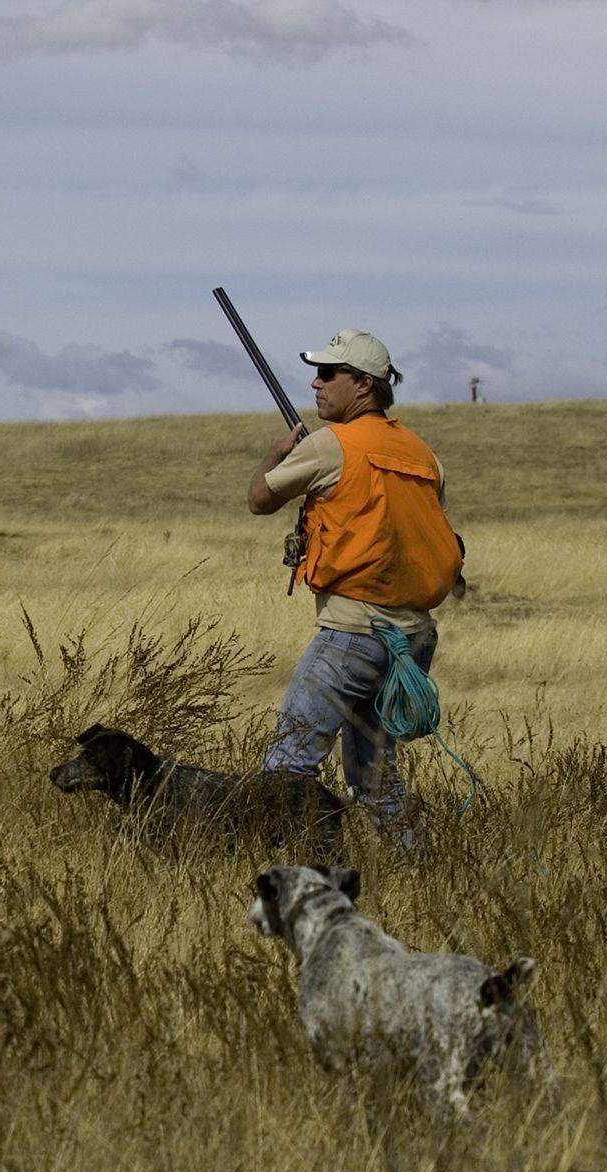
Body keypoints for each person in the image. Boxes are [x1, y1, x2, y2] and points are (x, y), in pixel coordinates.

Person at [245, 329, 462, 839]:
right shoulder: (422, 453)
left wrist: (277, 453)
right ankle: (423, 869)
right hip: (412, 639)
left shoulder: (329, 445)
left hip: (352, 633)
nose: (315, 384)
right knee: (376, 778)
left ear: (363, 385)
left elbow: (259, 498)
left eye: (327, 374)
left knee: (287, 768)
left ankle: (290, 869)